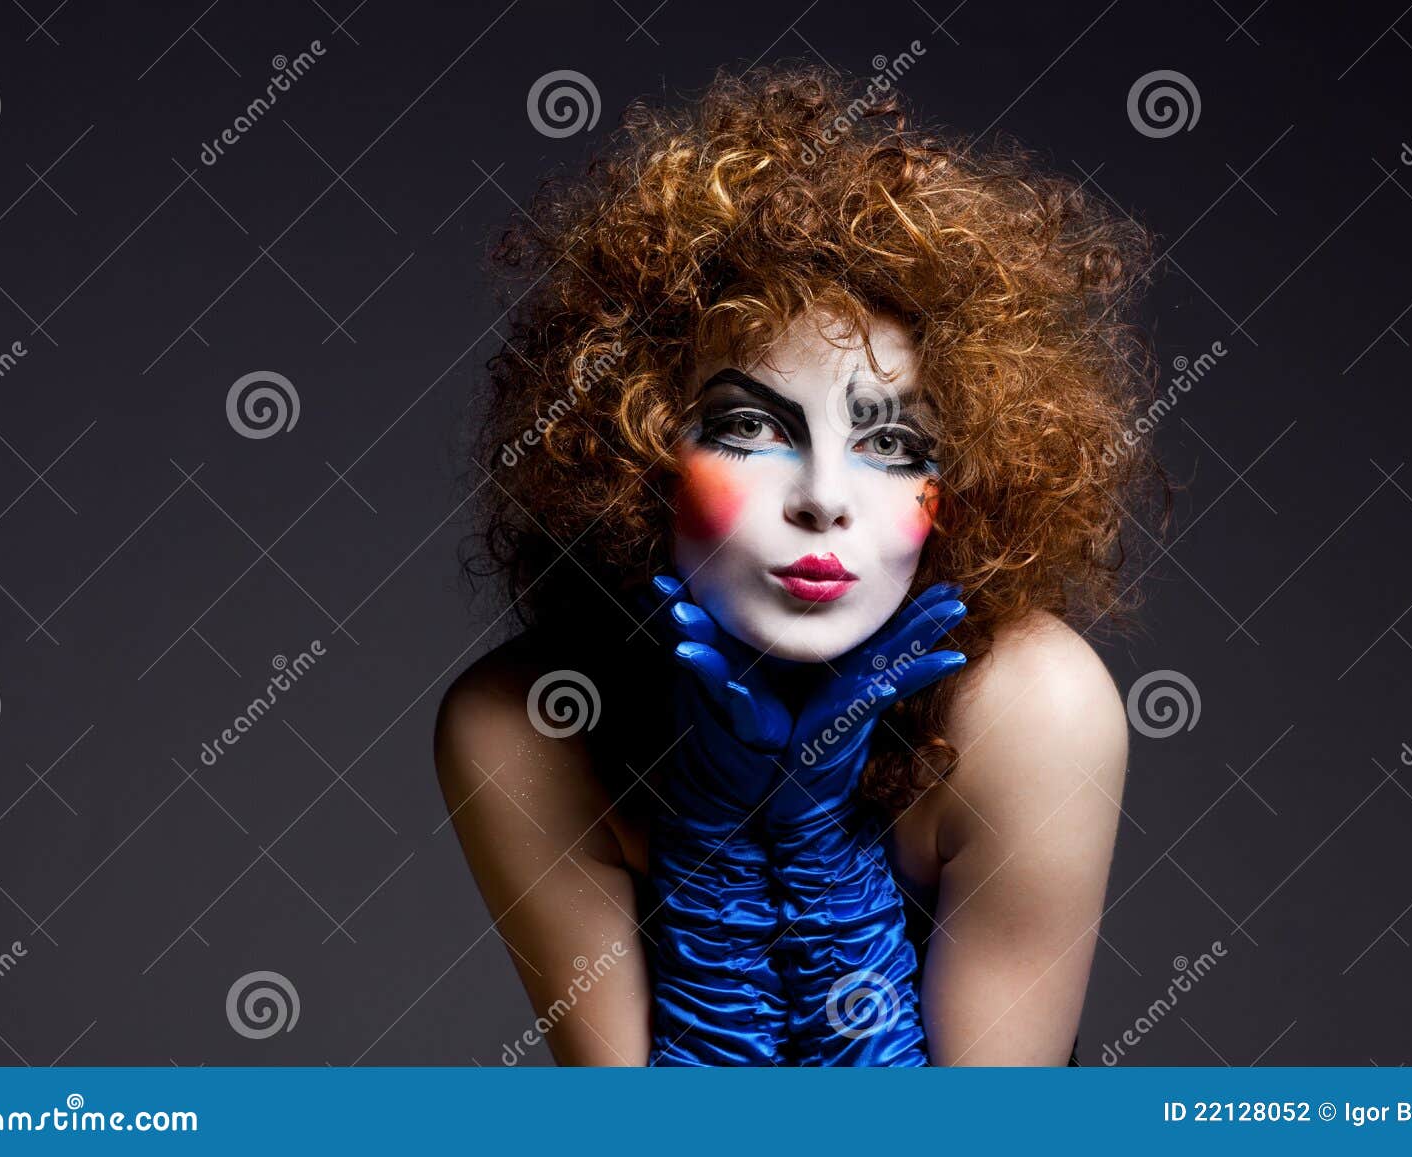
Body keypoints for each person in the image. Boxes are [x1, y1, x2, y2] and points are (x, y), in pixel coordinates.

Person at [433, 62, 1167, 1065]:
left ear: (967, 479)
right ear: (638, 451)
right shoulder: (528, 723)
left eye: (893, 444)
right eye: (748, 426)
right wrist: (720, 839)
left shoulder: (1032, 706)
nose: (823, 495)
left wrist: (813, 845)